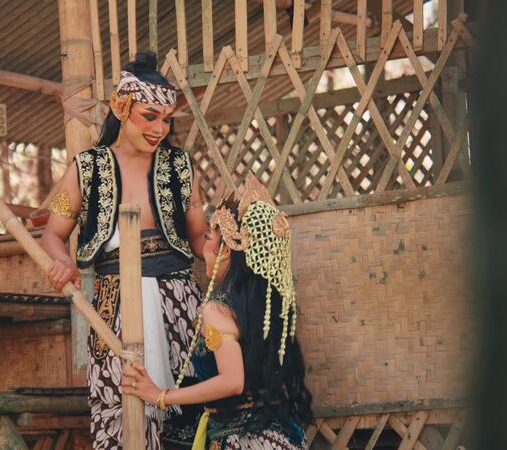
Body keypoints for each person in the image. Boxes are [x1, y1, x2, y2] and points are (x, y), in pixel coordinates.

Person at [40, 52, 208, 449]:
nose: (160, 129)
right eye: (150, 116)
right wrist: (62, 263)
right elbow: (51, 235)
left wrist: (229, 255)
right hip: (114, 309)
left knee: (191, 407)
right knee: (119, 405)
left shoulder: (181, 168)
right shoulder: (85, 169)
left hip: (179, 302)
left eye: (167, 120)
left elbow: (199, 240)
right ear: (122, 107)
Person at [123, 175, 313, 449]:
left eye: (209, 238)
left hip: (243, 440)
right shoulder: (269, 307)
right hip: (280, 436)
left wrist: (161, 395)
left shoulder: (217, 310)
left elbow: (233, 381)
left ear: (225, 250)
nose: (203, 247)